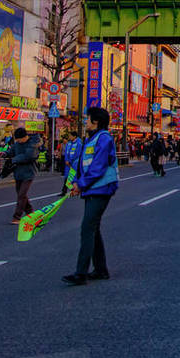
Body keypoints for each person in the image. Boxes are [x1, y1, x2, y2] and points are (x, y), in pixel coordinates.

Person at [63, 107, 118, 286]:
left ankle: (81, 273)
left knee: (87, 228)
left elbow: (98, 166)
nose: (85, 122)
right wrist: (76, 182)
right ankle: (101, 270)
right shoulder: (92, 139)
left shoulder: (104, 139)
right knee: (93, 228)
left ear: (95, 122)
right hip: (93, 189)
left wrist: (81, 183)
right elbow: (83, 164)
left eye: (87, 119)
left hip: (101, 188)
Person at [9, 128, 39, 224]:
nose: (18, 141)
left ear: (25, 137)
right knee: (21, 194)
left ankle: (17, 217)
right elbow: (12, 150)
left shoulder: (32, 144)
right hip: (18, 172)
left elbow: (29, 156)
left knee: (21, 194)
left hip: (29, 173)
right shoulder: (17, 144)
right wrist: (5, 153)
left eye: (19, 139)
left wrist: (14, 159)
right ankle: (31, 213)